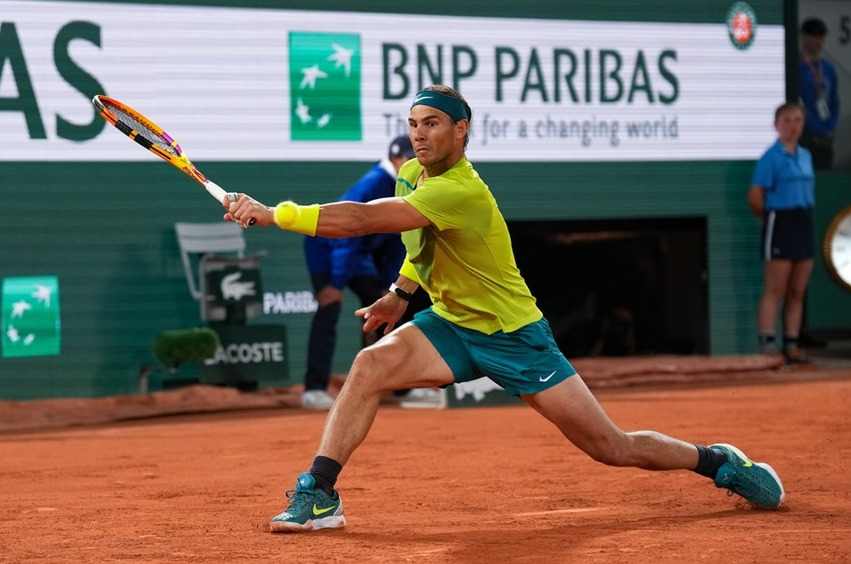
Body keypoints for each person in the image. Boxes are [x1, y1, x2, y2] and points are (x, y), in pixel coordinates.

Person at [224, 84, 786, 533]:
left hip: (516, 337)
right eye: (413, 125)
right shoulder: (414, 174)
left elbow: (364, 220)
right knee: (370, 368)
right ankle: (320, 493)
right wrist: (400, 293)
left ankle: (718, 463)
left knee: (610, 447)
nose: (418, 136)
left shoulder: (461, 191)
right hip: (451, 324)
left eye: (432, 124)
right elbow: (420, 248)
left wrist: (274, 214)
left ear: (461, 130)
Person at [300, 135, 415, 410]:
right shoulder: (375, 183)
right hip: (327, 250)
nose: (415, 165)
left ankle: (391, 387)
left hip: (358, 255)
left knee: (383, 307)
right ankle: (313, 390)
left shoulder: (404, 186)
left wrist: (393, 286)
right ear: (396, 159)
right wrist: (335, 283)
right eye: (410, 160)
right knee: (330, 307)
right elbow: (345, 235)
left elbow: (394, 241)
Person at [748, 102, 815, 364]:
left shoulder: (806, 156)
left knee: (798, 290)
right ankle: (767, 344)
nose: (793, 126)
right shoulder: (770, 158)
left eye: (798, 120)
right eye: (787, 120)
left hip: (804, 220)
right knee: (775, 288)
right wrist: (772, 217)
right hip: (780, 221)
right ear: (777, 125)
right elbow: (754, 196)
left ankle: (792, 344)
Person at [798, 17, 839, 170]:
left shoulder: (828, 69)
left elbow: (834, 101)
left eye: (821, 37)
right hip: (803, 138)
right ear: (803, 37)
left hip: (825, 140)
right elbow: (798, 104)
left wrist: (830, 126)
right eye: (813, 36)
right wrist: (816, 127)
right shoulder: (796, 67)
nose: (818, 41)